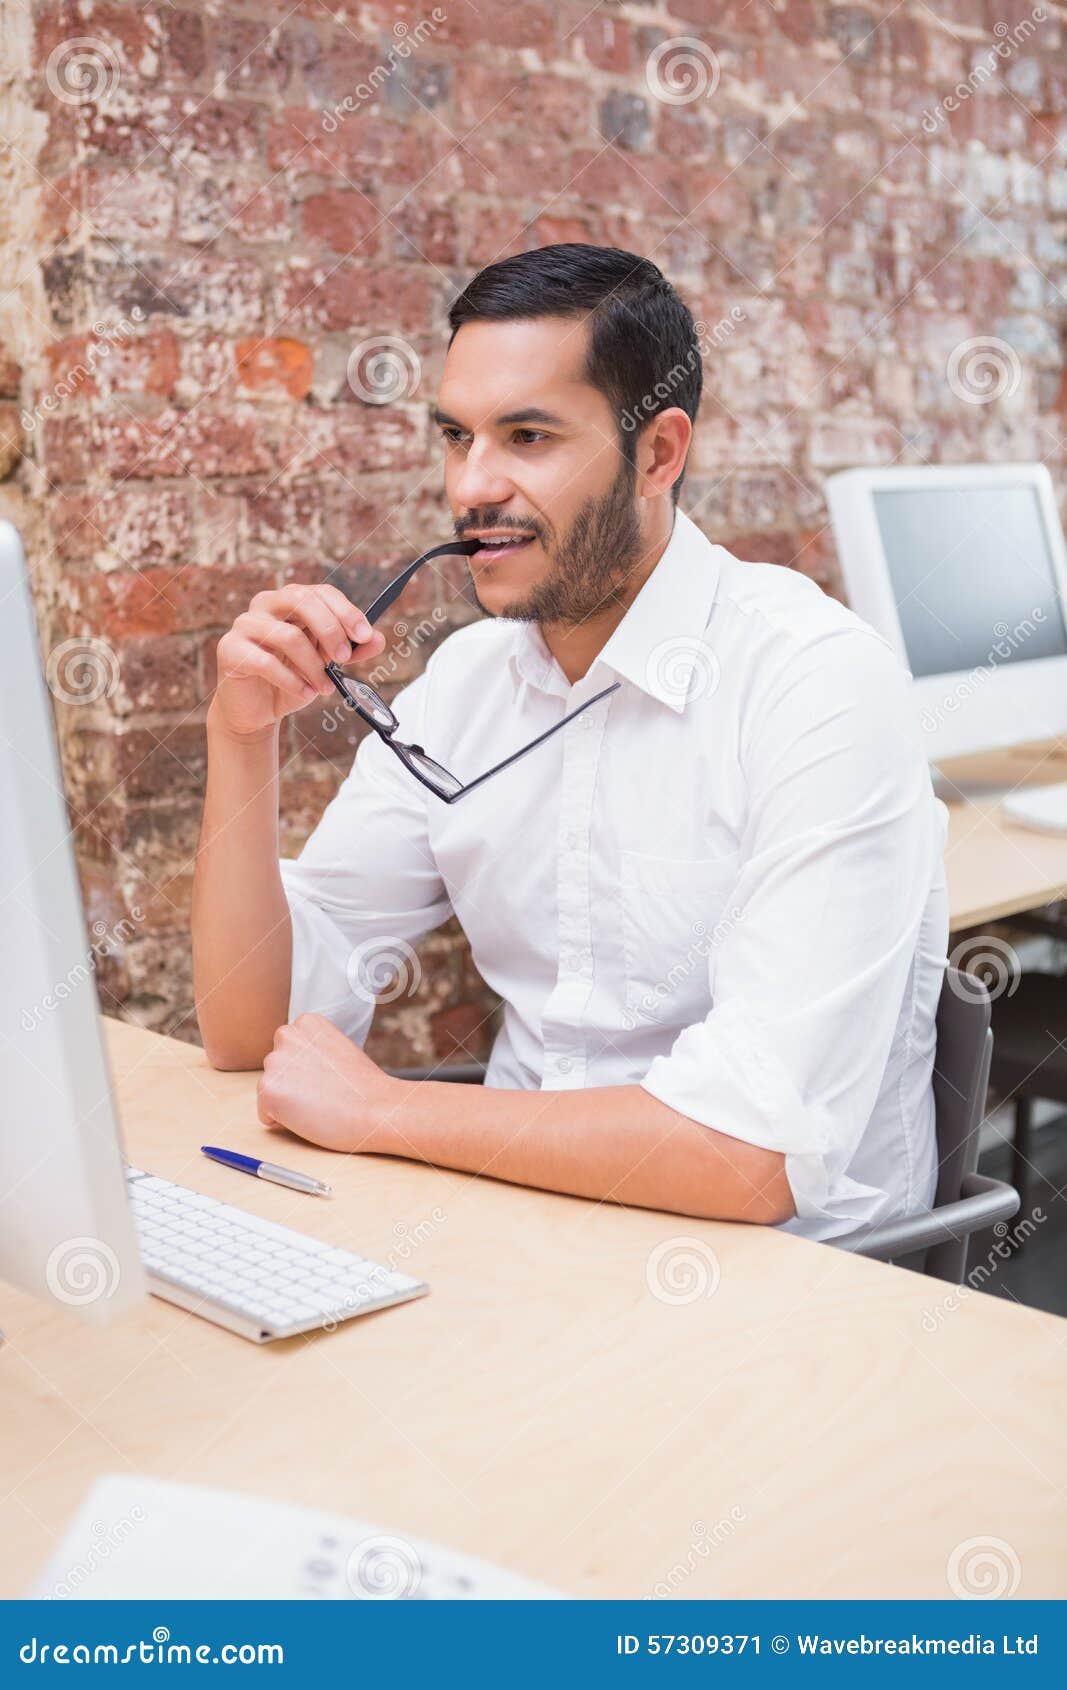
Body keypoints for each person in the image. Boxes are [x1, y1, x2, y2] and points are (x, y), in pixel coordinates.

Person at [192, 243, 948, 1239]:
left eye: (528, 436)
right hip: (528, 1224)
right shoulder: (465, 686)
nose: (472, 484)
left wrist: (386, 1110)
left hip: (787, 1281)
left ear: (658, 453)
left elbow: (749, 1157)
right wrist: (240, 737)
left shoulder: (813, 682)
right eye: (456, 436)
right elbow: (256, 1029)